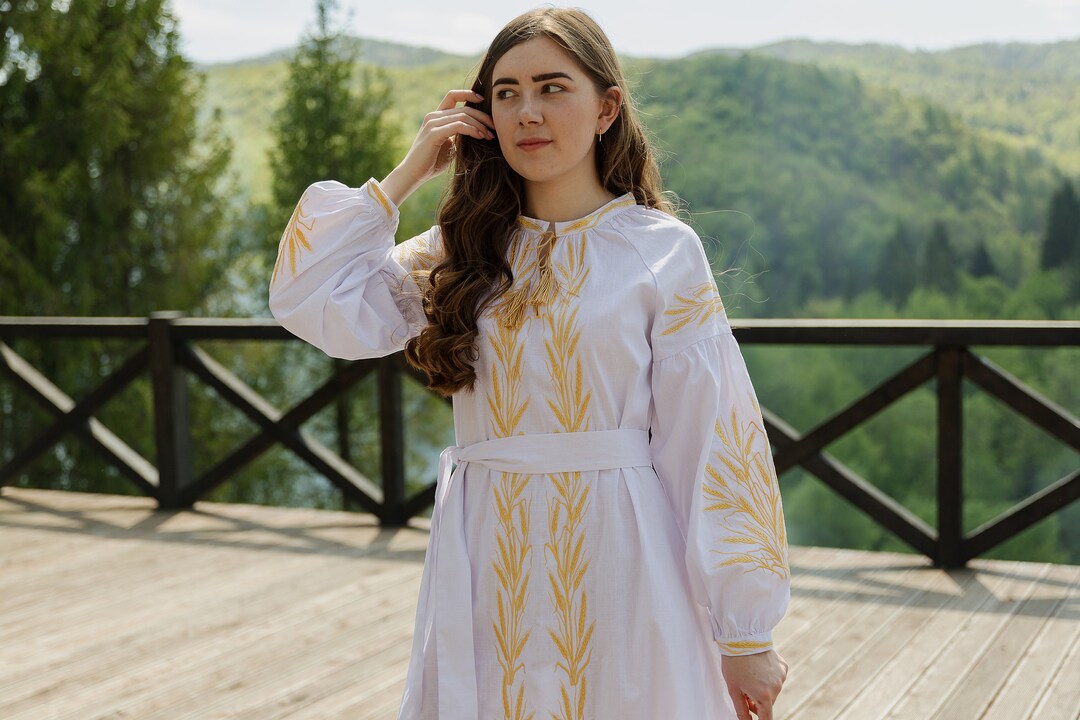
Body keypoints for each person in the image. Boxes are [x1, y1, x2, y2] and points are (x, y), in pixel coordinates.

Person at [269, 7, 790, 719]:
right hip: (487, 553)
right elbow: (313, 303)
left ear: (606, 107)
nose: (528, 112)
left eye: (552, 87)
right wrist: (404, 176)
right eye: (506, 93)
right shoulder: (459, 250)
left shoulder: (662, 250)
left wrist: (745, 631)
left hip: (624, 552)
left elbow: (716, 439)